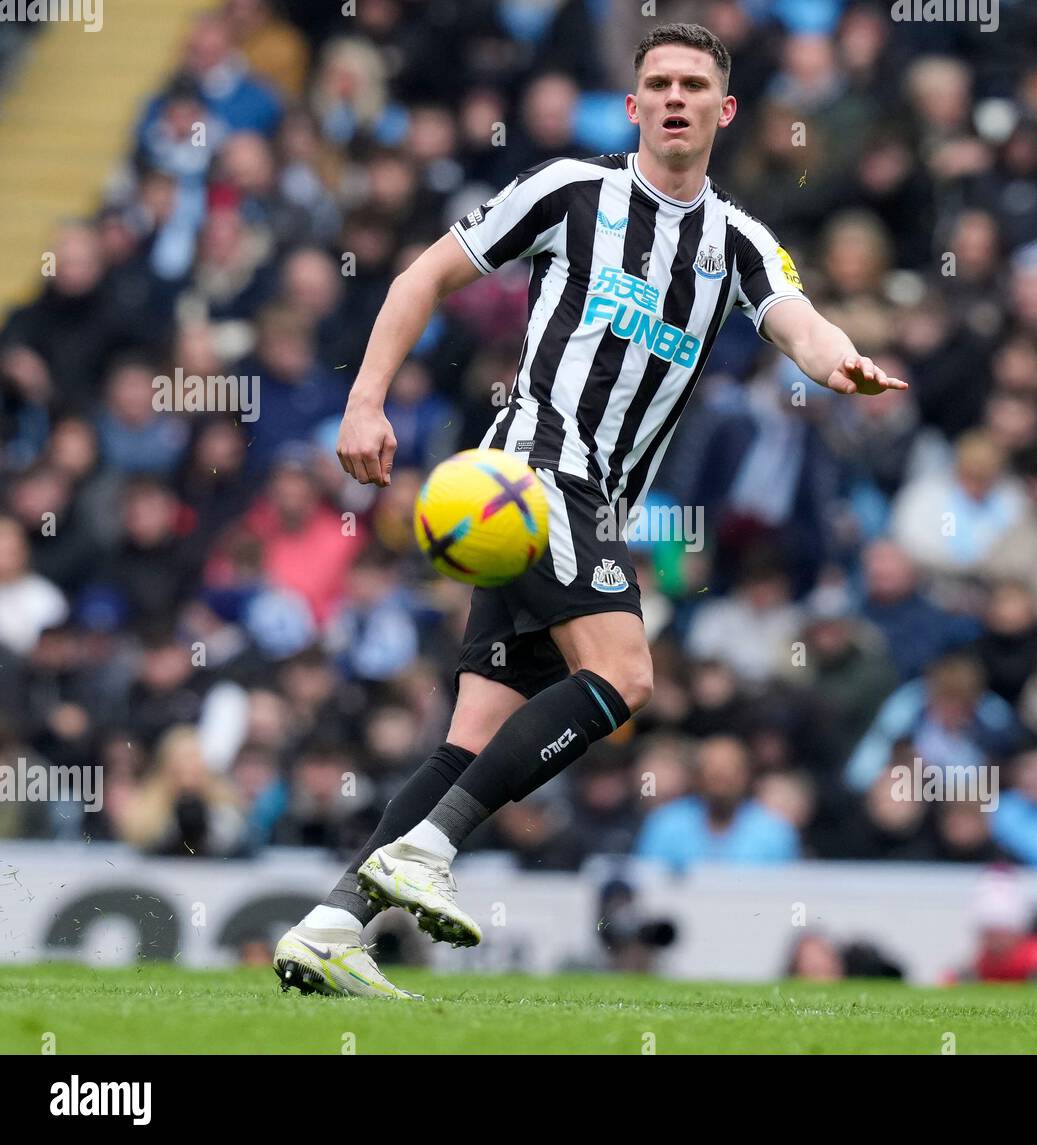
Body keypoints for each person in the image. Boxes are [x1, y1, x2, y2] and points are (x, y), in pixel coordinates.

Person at [273, 22, 907, 998]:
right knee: (624, 675)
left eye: (695, 83)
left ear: (724, 110)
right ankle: (428, 847)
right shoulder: (571, 190)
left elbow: (799, 321)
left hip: (587, 500)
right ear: (633, 105)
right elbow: (424, 274)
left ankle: (329, 924)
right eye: (657, 82)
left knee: (474, 734)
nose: (675, 97)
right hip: (531, 477)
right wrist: (365, 400)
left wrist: (840, 363)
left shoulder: (736, 242)